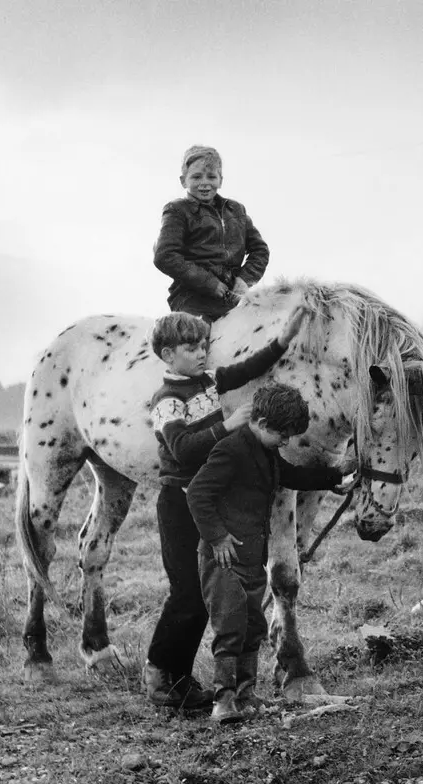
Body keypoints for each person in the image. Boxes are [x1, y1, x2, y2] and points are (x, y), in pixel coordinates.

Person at [144, 306, 310, 711]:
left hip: (205, 499)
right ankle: (160, 675)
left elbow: (245, 369)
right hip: (180, 501)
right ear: (167, 355)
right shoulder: (166, 402)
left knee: (208, 596)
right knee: (187, 593)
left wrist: (282, 342)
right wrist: (229, 425)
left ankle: (181, 680)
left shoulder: (206, 382)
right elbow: (181, 450)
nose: (201, 353)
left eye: (204, 345)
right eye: (190, 347)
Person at [187, 383, 353, 723]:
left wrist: (333, 475)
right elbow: (198, 494)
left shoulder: (266, 452)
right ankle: (223, 700)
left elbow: (290, 475)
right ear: (261, 422)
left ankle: (246, 694)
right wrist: (217, 538)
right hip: (224, 559)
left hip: (250, 557)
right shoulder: (229, 450)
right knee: (230, 627)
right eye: (283, 435)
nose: (286, 442)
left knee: (252, 625)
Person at [153, 145, 270, 322]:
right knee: (195, 343)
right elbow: (165, 255)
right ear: (183, 181)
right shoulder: (177, 211)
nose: (204, 183)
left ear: (221, 180)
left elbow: (260, 251)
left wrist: (244, 280)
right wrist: (209, 283)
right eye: (196, 177)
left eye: (211, 176)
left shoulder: (236, 210)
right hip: (192, 299)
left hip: (233, 299)